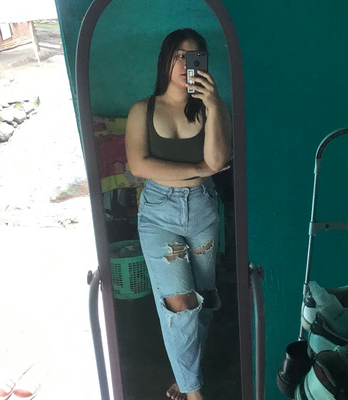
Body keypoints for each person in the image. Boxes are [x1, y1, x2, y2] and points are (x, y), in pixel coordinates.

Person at [125, 28, 232, 400]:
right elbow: (140, 165)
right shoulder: (142, 110)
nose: (186, 63)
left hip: (202, 207)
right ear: (165, 60)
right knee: (180, 304)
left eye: (194, 56)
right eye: (179, 55)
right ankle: (193, 391)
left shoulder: (211, 108)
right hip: (158, 212)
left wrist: (214, 104)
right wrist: (199, 169)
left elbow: (218, 159)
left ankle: (186, 374)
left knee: (202, 299)